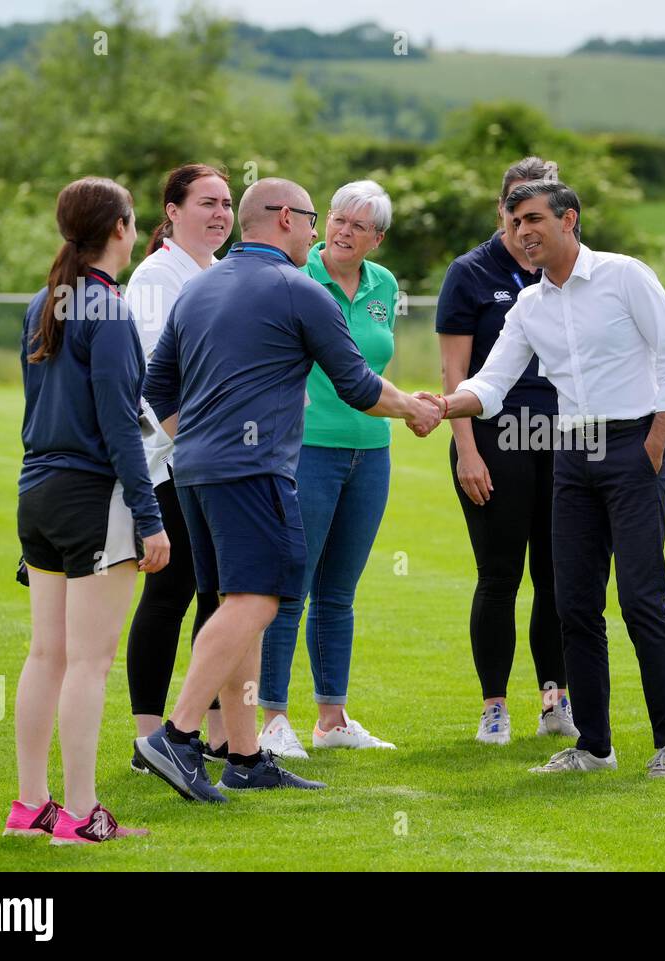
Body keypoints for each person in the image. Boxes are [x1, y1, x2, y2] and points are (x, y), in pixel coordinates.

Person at [135, 178, 440, 803]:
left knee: (235, 602)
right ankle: (177, 734)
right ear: (283, 220)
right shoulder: (299, 289)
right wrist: (415, 408)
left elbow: (157, 384)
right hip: (254, 471)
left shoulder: (199, 289)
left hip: (194, 471)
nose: (317, 230)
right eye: (310, 218)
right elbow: (357, 383)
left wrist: (194, 441)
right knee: (262, 599)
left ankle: (246, 756)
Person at [426, 180, 665, 778]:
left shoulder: (626, 276)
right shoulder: (529, 306)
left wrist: (654, 443)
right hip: (570, 455)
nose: (522, 232)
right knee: (575, 604)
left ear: (568, 220)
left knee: (641, 599)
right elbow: (491, 385)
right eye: (515, 222)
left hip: (633, 446)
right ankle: (595, 748)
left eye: (533, 220)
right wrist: (443, 406)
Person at [6, 176, 170, 843]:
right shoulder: (107, 307)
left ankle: (30, 806)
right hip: (90, 495)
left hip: (36, 489)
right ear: (121, 229)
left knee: (46, 653)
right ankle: (80, 814)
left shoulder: (45, 299)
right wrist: (150, 516)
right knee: (87, 663)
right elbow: (118, 425)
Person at [258, 180, 400, 758]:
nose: (342, 230)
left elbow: (370, 365)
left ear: (377, 238)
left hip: (371, 449)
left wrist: (409, 405)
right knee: (290, 585)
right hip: (306, 449)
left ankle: (332, 718)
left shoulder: (383, 285)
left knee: (339, 591)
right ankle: (270, 718)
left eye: (358, 225)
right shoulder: (296, 276)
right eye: (338, 218)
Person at [435, 157, 574, 746]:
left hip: (566, 435)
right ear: (502, 210)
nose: (526, 225)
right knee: (499, 575)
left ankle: (555, 700)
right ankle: (495, 706)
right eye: (517, 208)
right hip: (495, 436)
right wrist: (466, 449)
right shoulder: (470, 272)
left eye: (538, 209)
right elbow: (454, 372)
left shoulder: (571, 267)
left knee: (559, 575)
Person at [124, 164, 233, 772]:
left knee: (216, 595)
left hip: (209, 459)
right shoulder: (157, 277)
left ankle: (213, 736)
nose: (220, 214)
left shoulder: (215, 272)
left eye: (227, 203)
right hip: (168, 464)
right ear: (171, 211)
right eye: (206, 203)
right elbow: (154, 382)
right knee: (171, 592)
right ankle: (151, 738)